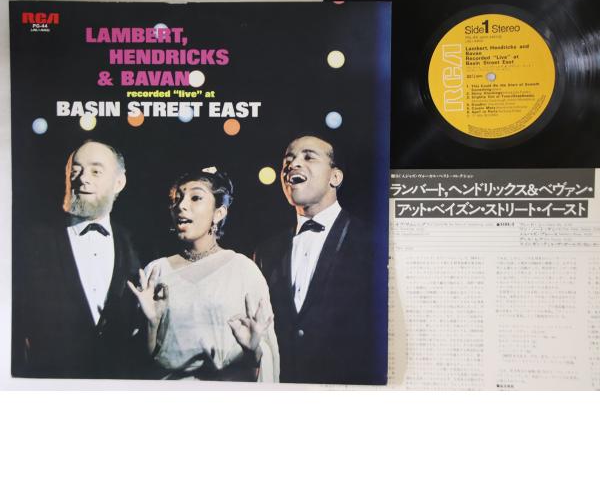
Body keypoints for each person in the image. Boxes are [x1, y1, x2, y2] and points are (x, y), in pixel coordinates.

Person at [128, 167, 279, 382]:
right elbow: (139, 362)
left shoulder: (243, 270)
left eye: (195, 197)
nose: (181, 206)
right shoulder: (156, 271)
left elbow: (266, 351)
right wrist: (151, 324)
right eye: (176, 199)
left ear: (219, 213)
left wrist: (253, 350)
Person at [12, 140, 148, 379]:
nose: (82, 178)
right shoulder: (30, 242)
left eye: (96, 171)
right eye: (75, 171)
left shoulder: (138, 245)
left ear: (119, 182)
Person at [254, 135, 382, 385]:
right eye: (287, 161)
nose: (292, 165)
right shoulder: (266, 252)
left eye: (308, 157)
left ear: (335, 177)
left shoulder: (371, 241)